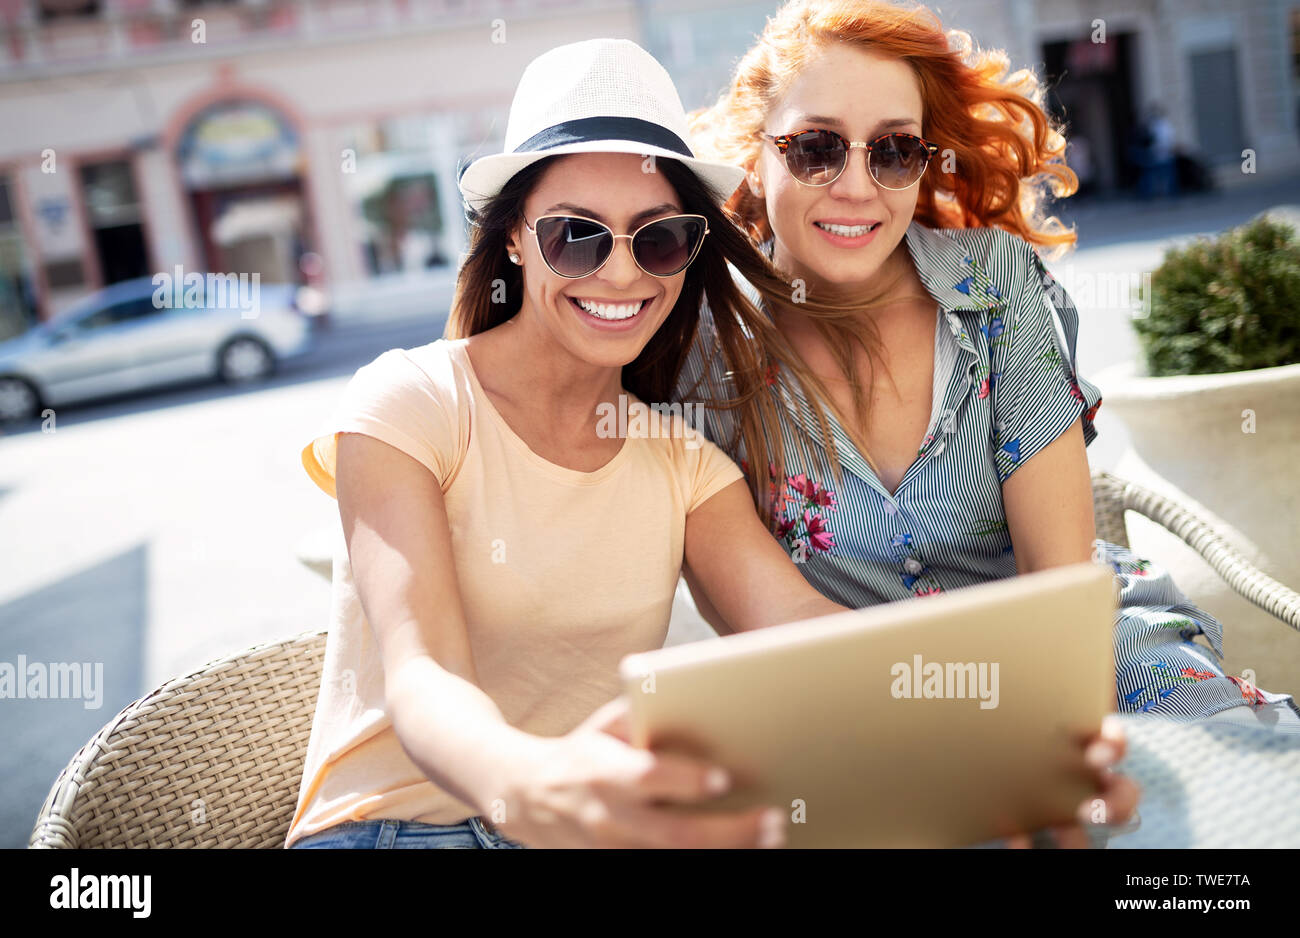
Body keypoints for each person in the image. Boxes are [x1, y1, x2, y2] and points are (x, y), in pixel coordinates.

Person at [287, 35, 1136, 851]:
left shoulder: (681, 456)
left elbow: (807, 630)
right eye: (574, 235)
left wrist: (1009, 743)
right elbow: (420, 677)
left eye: (658, 237)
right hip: (391, 830)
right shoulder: (411, 400)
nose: (621, 273)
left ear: (692, 252)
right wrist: (536, 783)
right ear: (513, 235)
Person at [675, 0, 1298, 765]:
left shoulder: (996, 285)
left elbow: (1059, 584)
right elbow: (764, 623)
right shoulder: (702, 354)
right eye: (815, 148)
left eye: (895, 151)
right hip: (855, 710)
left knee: (1241, 790)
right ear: (755, 150)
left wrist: (1050, 743)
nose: (857, 185)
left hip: (1084, 654)